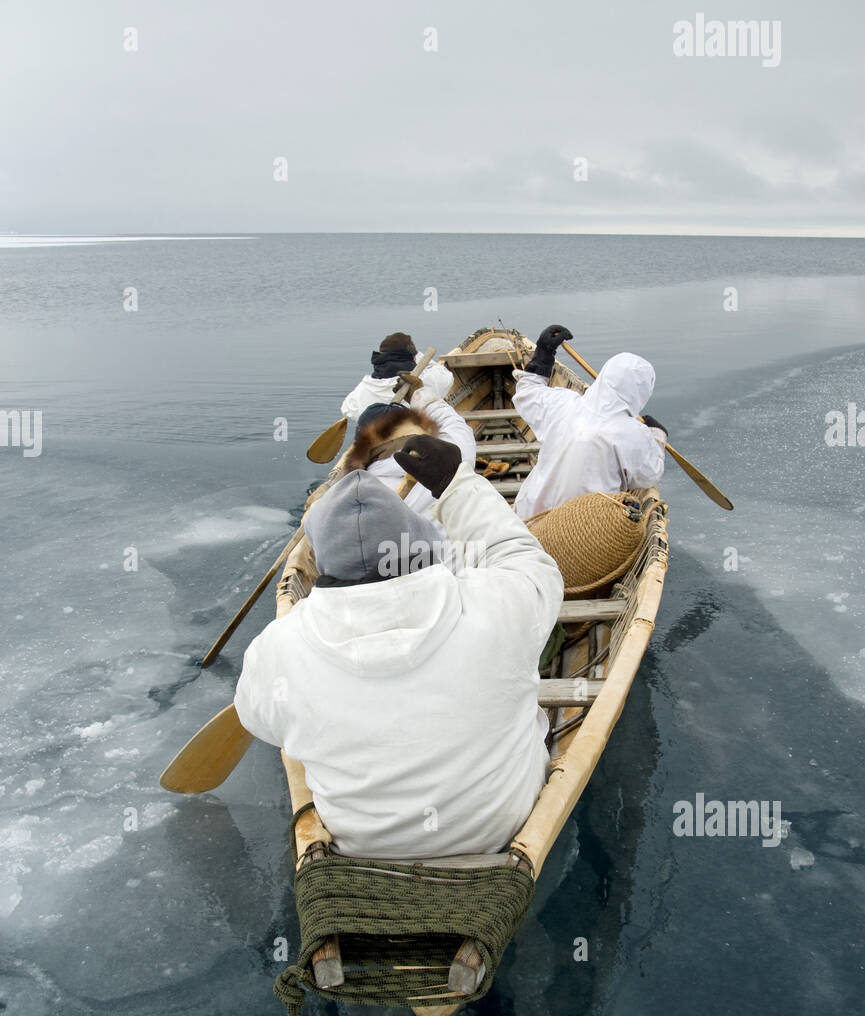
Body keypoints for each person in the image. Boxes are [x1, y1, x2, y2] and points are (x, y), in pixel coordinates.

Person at [233, 436, 563, 860]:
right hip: (499, 829)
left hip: (362, 846)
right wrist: (456, 484)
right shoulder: (497, 604)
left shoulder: (277, 649)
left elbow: (260, 723)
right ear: (418, 543)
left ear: (322, 562)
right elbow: (524, 558)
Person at [511, 325, 668, 521]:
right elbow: (649, 474)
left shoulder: (564, 403)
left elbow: (527, 394)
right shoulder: (632, 434)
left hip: (529, 517)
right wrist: (657, 436)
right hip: (584, 532)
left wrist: (543, 355)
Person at [340, 333, 477, 518]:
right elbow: (455, 420)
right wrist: (418, 376)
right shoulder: (449, 462)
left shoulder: (361, 391)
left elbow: (347, 408)